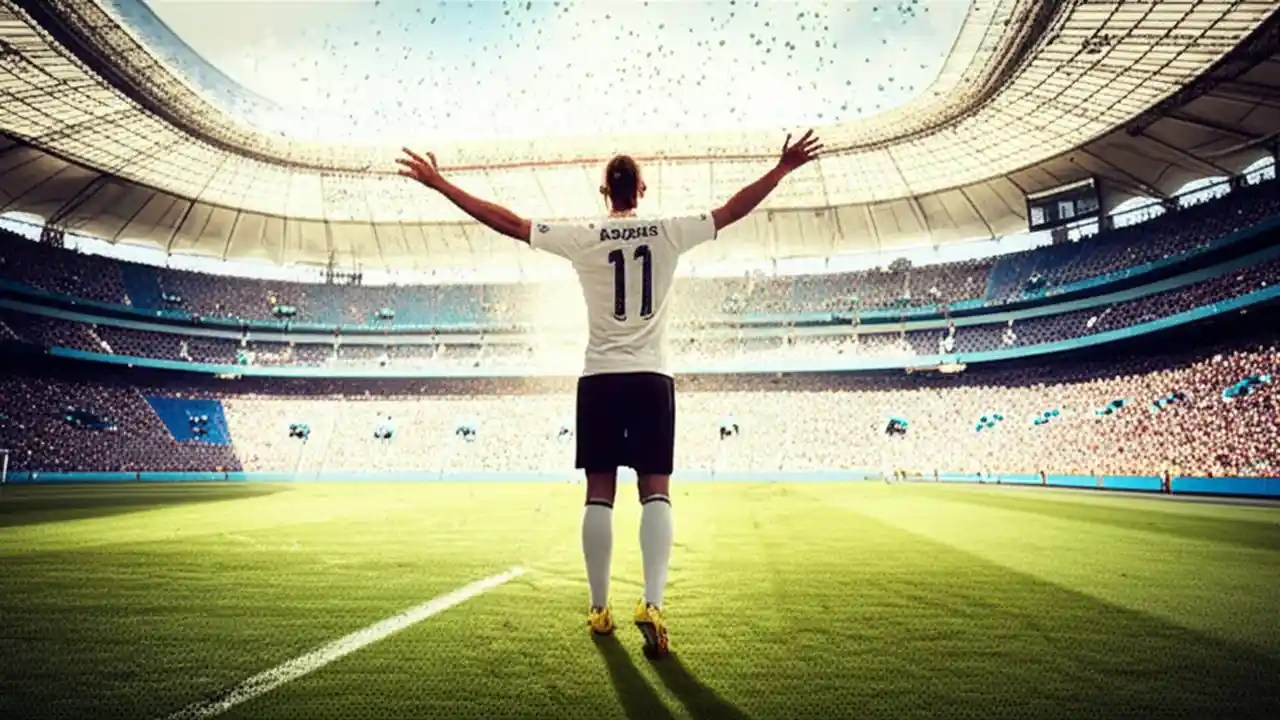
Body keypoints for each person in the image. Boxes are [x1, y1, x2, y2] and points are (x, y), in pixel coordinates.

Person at [397, 130, 823, 658]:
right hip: (650, 377)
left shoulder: (584, 235)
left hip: (599, 377)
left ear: (605, 191)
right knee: (656, 491)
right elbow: (733, 209)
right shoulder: (669, 231)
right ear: (641, 189)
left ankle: (600, 610)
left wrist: (441, 184)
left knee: (599, 493)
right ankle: (653, 602)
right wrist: (781, 170)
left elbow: (508, 222)